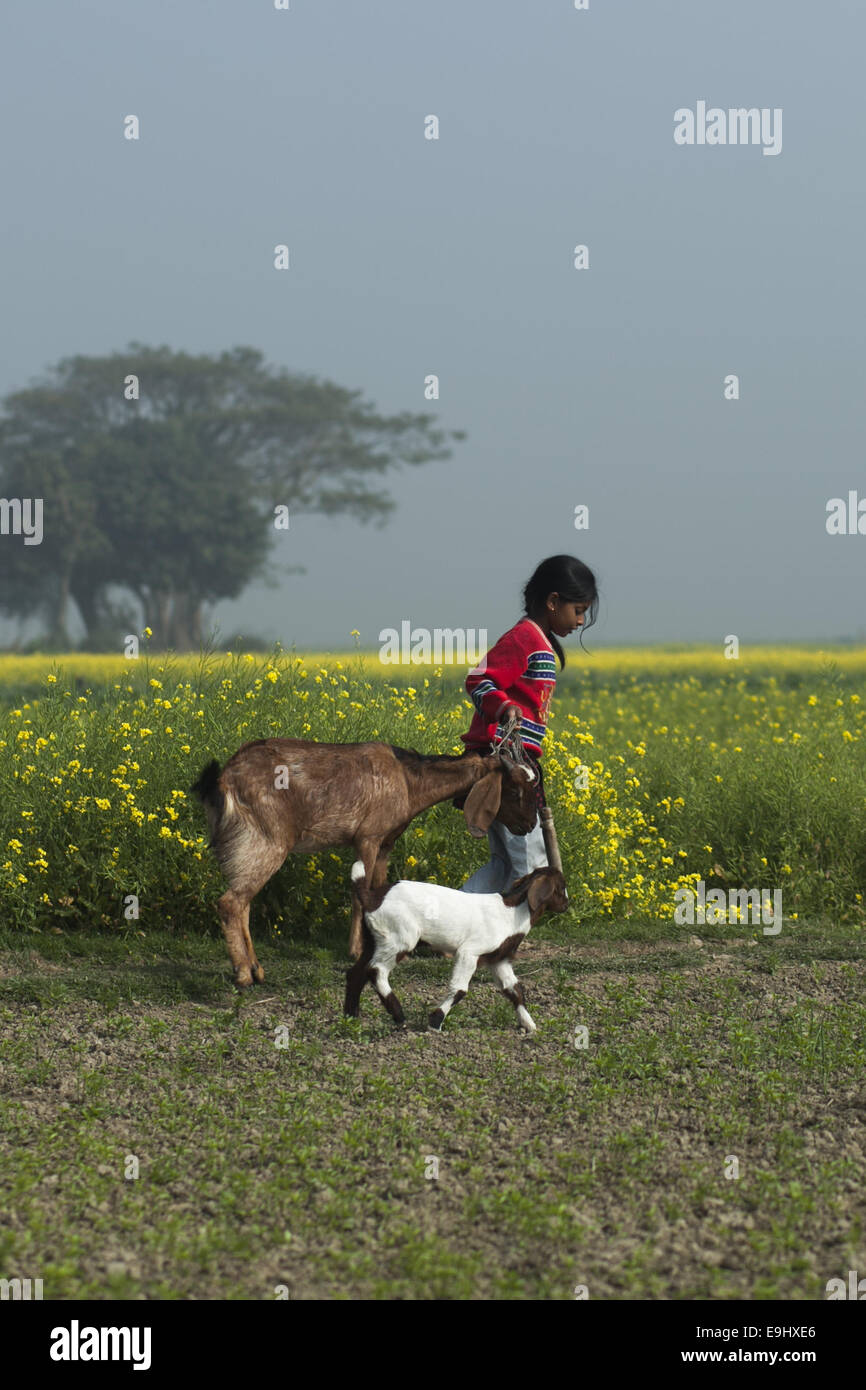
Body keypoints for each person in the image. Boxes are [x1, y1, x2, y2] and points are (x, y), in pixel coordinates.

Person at [459, 554, 598, 893]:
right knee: (529, 865)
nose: (580, 621)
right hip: (504, 766)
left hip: (516, 764)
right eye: (577, 610)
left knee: (505, 864)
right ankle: (509, 932)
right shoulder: (524, 639)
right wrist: (503, 706)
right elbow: (478, 680)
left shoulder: (541, 643)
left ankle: (441, 926)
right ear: (553, 601)